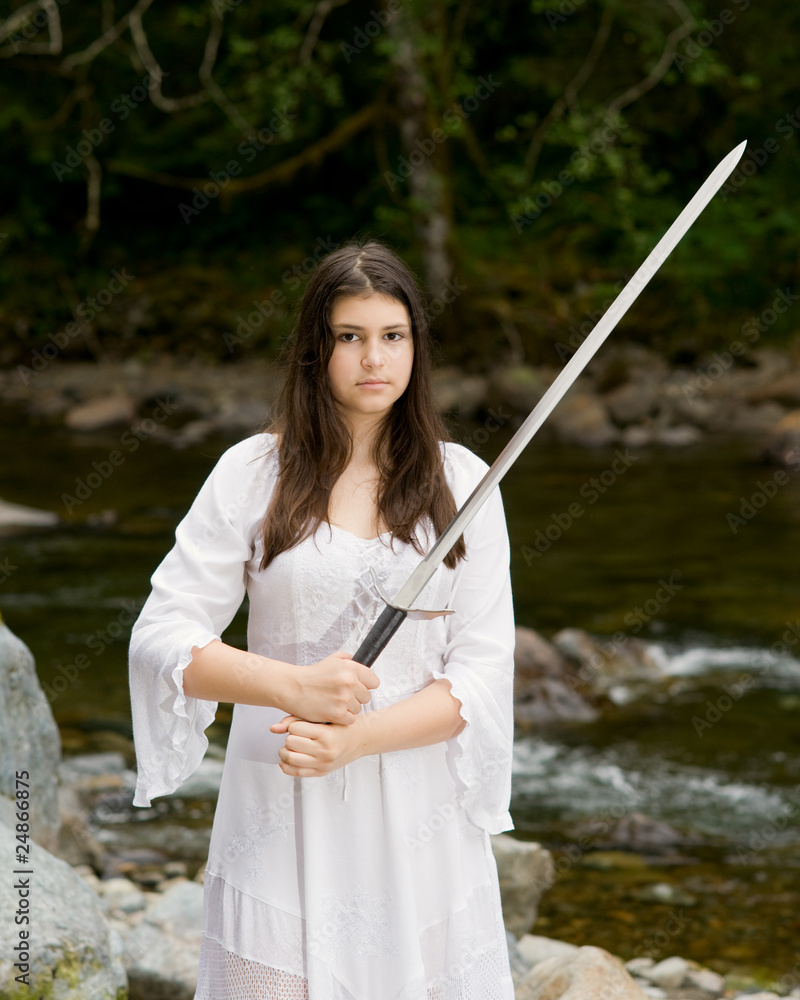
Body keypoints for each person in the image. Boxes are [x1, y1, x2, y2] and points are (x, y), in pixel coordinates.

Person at [128, 238, 517, 999]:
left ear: (416, 347)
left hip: (420, 823)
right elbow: (162, 637)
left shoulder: (465, 482)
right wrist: (291, 686)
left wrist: (363, 737)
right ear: (316, 348)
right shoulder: (252, 473)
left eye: (393, 336)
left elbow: (481, 675)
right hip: (279, 799)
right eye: (351, 337)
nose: (375, 359)